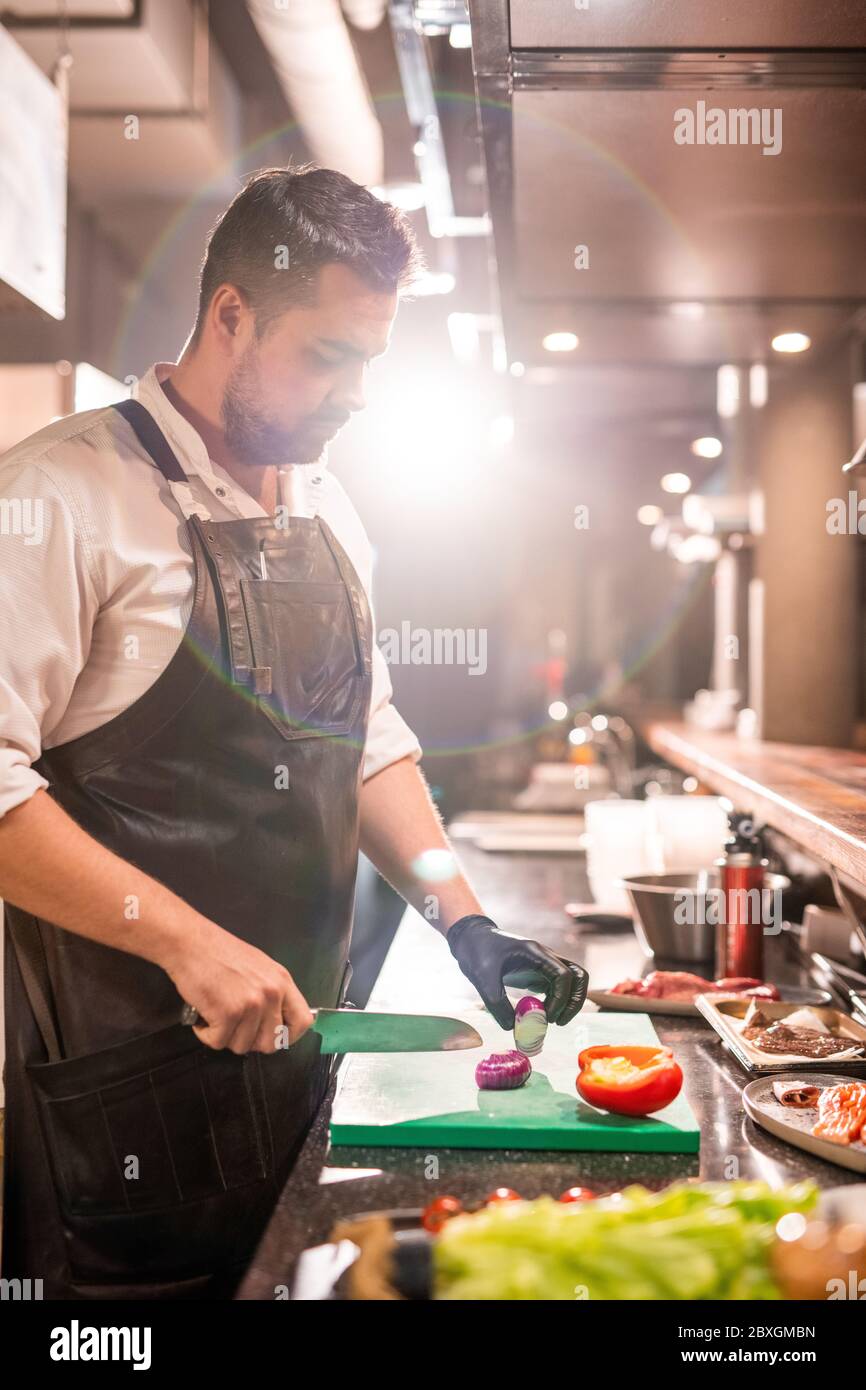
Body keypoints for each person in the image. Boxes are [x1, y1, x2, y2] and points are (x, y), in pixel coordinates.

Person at [0, 165, 587, 1299]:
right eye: (329, 353)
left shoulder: (329, 510)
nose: (357, 393)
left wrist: (461, 920)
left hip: (303, 1080)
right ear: (231, 315)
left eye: (372, 359)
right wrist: (187, 943)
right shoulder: (60, 500)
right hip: (128, 1112)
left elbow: (361, 737)